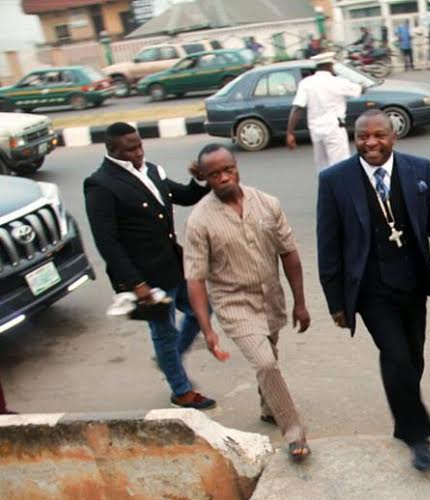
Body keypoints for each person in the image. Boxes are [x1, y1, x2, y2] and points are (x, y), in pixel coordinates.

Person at [316, 109, 430, 472]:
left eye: (379, 135)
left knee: (413, 358)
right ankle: (418, 438)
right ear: (355, 138)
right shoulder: (335, 180)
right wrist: (336, 301)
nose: (370, 143)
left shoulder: (419, 170)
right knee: (396, 356)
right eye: (363, 136)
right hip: (370, 291)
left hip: (413, 284)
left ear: (394, 136)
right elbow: (328, 244)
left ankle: (403, 421)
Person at [184, 144, 311, 461]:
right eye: (215, 174)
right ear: (204, 178)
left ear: (236, 167)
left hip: (271, 297)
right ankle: (294, 432)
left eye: (228, 169)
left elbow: (289, 254)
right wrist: (207, 328)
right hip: (234, 303)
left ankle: (269, 406)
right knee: (266, 362)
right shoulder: (199, 220)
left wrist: (300, 302)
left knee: (269, 352)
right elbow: (195, 279)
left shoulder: (267, 203)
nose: (224, 177)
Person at [84, 122, 215, 410]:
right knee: (164, 331)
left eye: (140, 145)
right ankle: (181, 390)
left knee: (201, 310)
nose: (138, 152)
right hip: (146, 276)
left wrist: (201, 181)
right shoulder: (100, 184)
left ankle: (170, 358)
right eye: (130, 149)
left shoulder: (152, 171)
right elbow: (107, 242)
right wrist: (136, 284)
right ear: (113, 150)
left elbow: (184, 196)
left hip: (173, 264)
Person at [286, 52, 363, 172]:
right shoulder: (338, 82)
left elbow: (297, 108)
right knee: (341, 166)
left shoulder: (306, 83)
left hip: (316, 131)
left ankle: (326, 189)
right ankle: (340, 190)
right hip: (334, 129)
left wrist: (290, 133)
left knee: (323, 167)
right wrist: (364, 84)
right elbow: (359, 90)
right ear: (331, 66)